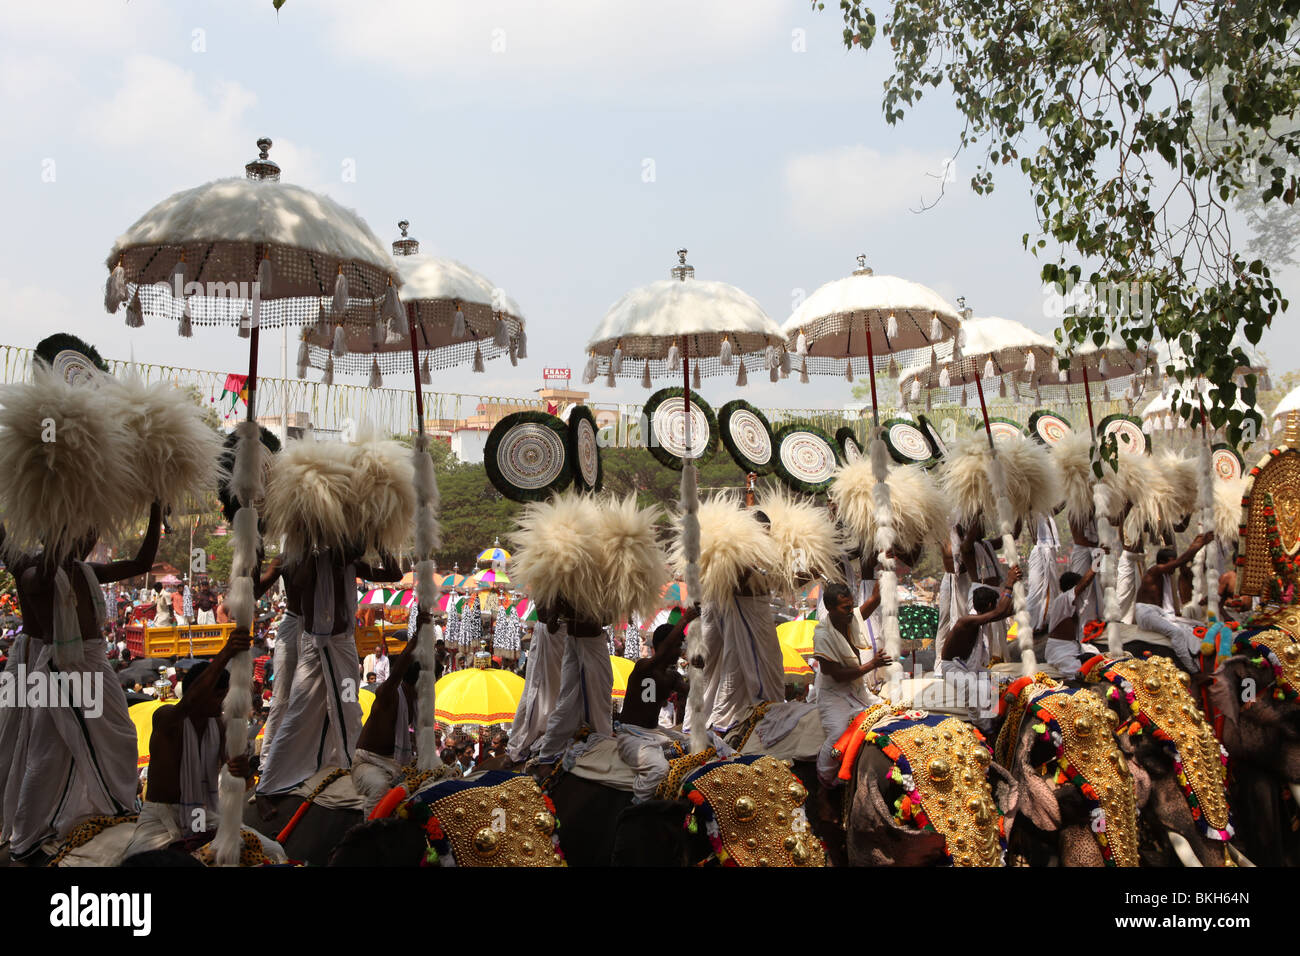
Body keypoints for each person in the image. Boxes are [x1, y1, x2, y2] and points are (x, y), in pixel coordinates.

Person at [0, 505, 161, 861]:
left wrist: (156, 508)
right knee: (44, 758)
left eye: (92, 532)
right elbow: (29, 569)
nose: (91, 538)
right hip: (59, 670)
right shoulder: (33, 571)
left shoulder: (86, 571)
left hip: (93, 664)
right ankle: (24, 840)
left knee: (122, 737)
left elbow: (141, 564)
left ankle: (117, 807)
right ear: (60, 537)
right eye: (84, 532)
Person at [257, 548, 401, 796]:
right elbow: (298, 583)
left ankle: (343, 762)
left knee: (347, 705)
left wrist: (379, 542)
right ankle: (269, 776)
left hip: (341, 644)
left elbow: (394, 574)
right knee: (289, 705)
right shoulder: (304, 558)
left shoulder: (351, 562)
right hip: (316, 640)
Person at [121, 628, 255, 856]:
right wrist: (226, 652)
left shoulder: (220, 727)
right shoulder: (167, 718)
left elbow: (242, 779)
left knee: (270, 850)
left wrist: (243, 773)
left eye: (225, 694)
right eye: (217, 694)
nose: (223, 701)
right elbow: (190, 701)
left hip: (205, 816)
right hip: (161, 823)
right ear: (197, 693)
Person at [812, 583, 891, 789]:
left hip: (858, 690)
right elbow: (837, 676)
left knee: (891, 713)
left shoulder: (849, 617)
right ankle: (824, 783)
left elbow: (874, 600)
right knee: (838, 734)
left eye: (851, 606)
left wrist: (884, 569)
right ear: (829, 608)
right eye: (845, 608)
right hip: (833, 694)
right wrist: (872, 665)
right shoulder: (822, 635)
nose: (851, 612)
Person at [615, 608, 696, 802]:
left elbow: (695, 693)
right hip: (631, 735)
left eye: (680, 646)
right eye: (676, 646)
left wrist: (699, 669)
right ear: (662, 647)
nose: (679, 651)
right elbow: (660, 656)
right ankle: (635, 811)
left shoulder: (672, 677)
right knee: (659, 770)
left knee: (703, 743)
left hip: (654, 733)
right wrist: (685, 619)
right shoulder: (643, 666)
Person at [351, 620, 422, 816]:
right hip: (367, 763)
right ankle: (369, 838)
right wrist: (416, 638)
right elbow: (398, 670)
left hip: (395, 764)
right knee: (380, 787)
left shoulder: (414, 702)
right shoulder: (388, 693)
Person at [1133, 534, 1213, 672]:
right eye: (1172, 562)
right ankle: (1193, 669)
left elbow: (1185, 563)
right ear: (1162, 562)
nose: (1174, 567)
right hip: (1146, 613)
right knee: (1176, 633)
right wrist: (1201, 543)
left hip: (1160, 614)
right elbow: (1182, 560)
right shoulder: (1154, 571)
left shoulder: (1165, 576)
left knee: (1198, 625)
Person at [505, 606, 566, 764]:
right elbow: (544, 612)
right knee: (536, 692)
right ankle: (529, 740)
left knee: (561, 692)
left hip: (565, 636)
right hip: (551, 634)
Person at [939, 565, 1021, 675]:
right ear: (990, 605)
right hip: (953, 668)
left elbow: (1005, 612)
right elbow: (1000, 612)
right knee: (982, 689)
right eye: (995, 605)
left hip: (967, 666)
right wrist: (1010, 583)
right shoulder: (967, 621)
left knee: (1000, 683)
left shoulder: (979, 618)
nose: (997, 607)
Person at [1043, 566, 1101, 678]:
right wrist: (1096, 562)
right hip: (1059, 649)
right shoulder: (1062, 599)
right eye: (1080, 588)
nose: (1083, 591)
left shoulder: (1075, 604)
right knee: (1077, 674)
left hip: (1075, 646)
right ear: (1072, 588)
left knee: (1100, 660)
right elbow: (1084, 583)